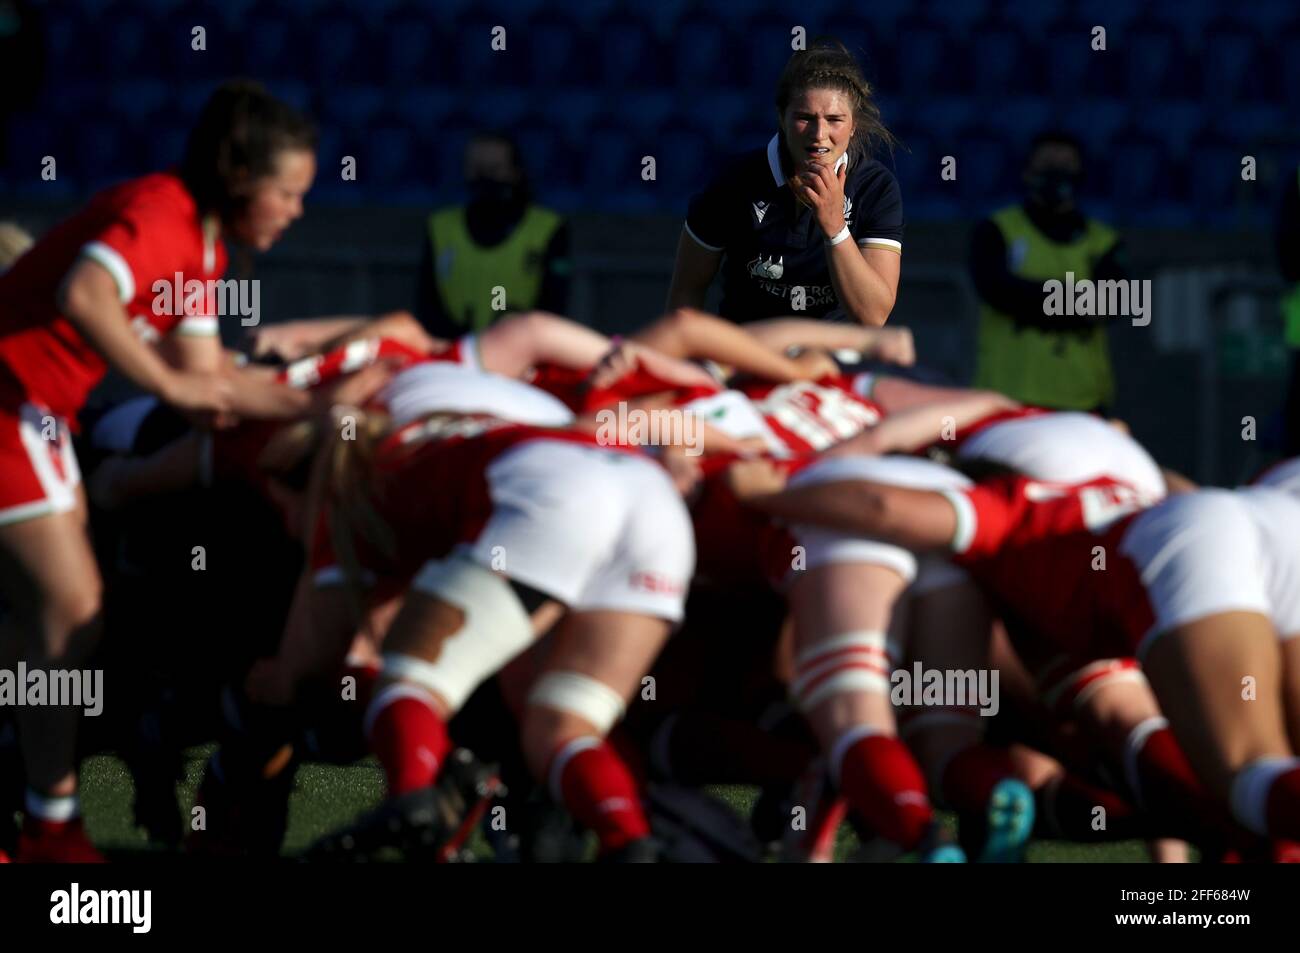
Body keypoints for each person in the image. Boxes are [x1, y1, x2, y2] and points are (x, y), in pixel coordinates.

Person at [0, 79, 316, 862]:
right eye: (288, 191)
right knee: (70, 610)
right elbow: (86, 293)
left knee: (47, 622)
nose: (296, 209)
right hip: (11, 402)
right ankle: (50, 824)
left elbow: (214, 376)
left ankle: (44, 818)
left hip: (38, 415)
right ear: (242, 178)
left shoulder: (203, 252)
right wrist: (168, 385)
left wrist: (324, 402)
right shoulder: (163, 212)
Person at [667, 38, 903, 328]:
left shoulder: (876, 188)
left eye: (835, 119)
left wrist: (835, 228)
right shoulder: (732, 183)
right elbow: (687, 290)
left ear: (854, 125)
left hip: (834, 362)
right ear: (781, 117)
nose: (819, 133)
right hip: (746, 358)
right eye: (805, 117)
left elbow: (872, 316)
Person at [970, 131, 1128, 413]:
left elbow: (1116, 302)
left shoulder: (1104, 241)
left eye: (1066, 164)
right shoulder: (996, 231)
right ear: (1028, 171)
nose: (1056, 173)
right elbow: (996, 290)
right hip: (1006, 399)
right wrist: (1078, 302)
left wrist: (1028, 295)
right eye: (1046, 164)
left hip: (1083, 400)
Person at [414, 131, 570, 338]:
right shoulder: (440, 227)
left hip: (522, 351)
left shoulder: (548, 228)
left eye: (495, 169)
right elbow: (427, 301)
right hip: (453, 351)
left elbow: (553, 303)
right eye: (477, 169)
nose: (485, 177)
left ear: (515, 172)